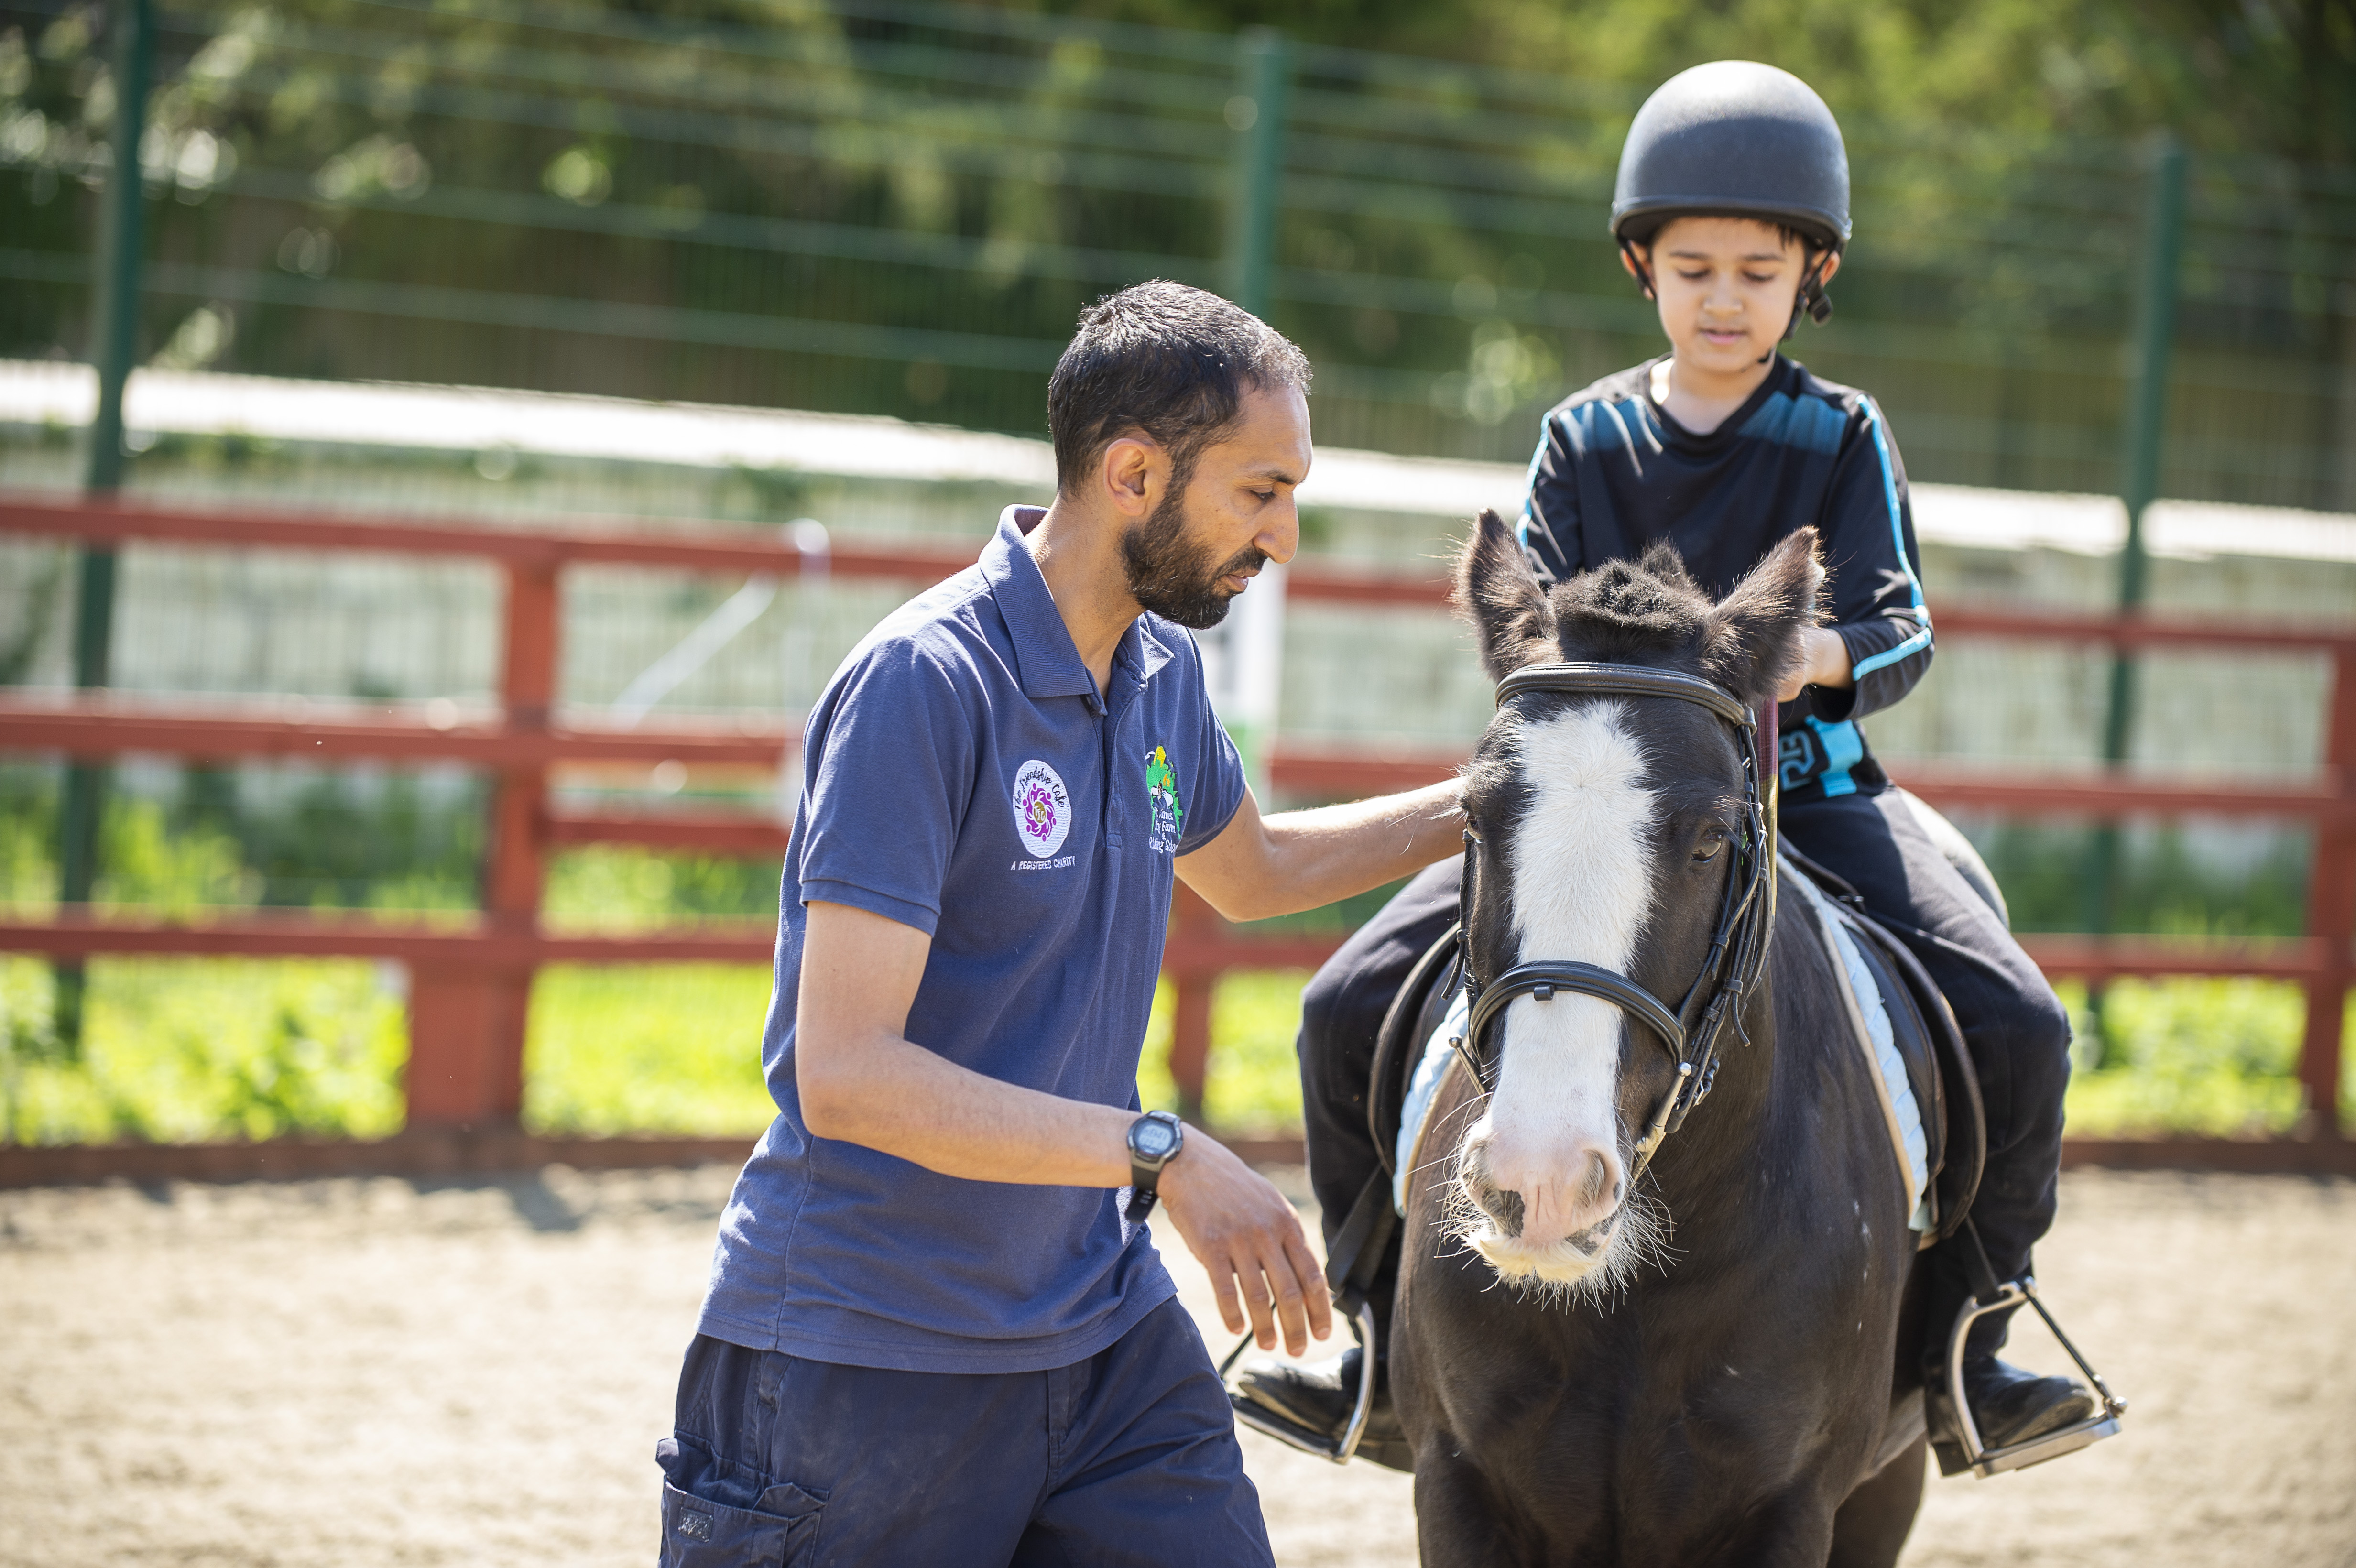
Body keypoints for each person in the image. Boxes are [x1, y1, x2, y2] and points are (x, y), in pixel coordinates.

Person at [1236, 60, 2093, 1468]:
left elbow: (1900, 624)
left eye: (1760, 270)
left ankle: (1970, 1347)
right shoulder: (1583, 435)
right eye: (1694, 267)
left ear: (1812, 275)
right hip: (1608, 817)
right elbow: (1537, 634)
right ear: (1642, 266)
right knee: (1344, 1007)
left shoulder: (1843, 434)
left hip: (1809, 797)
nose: (1724, 298)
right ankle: (1375, 1341)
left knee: (2020, 1027)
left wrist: (1794, 656)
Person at [657, 281, 1466, 1566]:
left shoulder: (1159, 673)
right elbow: (849, 1073)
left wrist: (1490, 804)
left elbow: (1246, 868)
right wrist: (1165, 1153)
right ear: (1135, 473)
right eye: (1261, 491)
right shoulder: (925, 683)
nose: (1288, 537)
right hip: (860, 1355)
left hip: (1098, 1342)